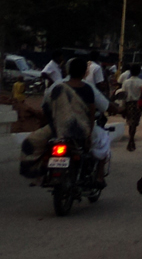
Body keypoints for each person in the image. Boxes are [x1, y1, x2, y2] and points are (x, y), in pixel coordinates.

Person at [46, 56, 113, 186]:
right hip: (80, 131)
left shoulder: (57, 87)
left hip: (59, 129)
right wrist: (88, 135)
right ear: (85, 73)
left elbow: (49, 109)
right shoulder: (87, 88)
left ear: (68, 71)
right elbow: (91, 114)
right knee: (103, 139)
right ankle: (99, 177)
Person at [119, 63, 142, 151]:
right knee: (134, 123)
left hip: (128, 104)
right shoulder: (141, 82)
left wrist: (122, 107)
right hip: (137, 104)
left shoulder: (126, 82)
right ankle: (131, 140)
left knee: (130, 122)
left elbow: (123, 96)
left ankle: (131, 139)